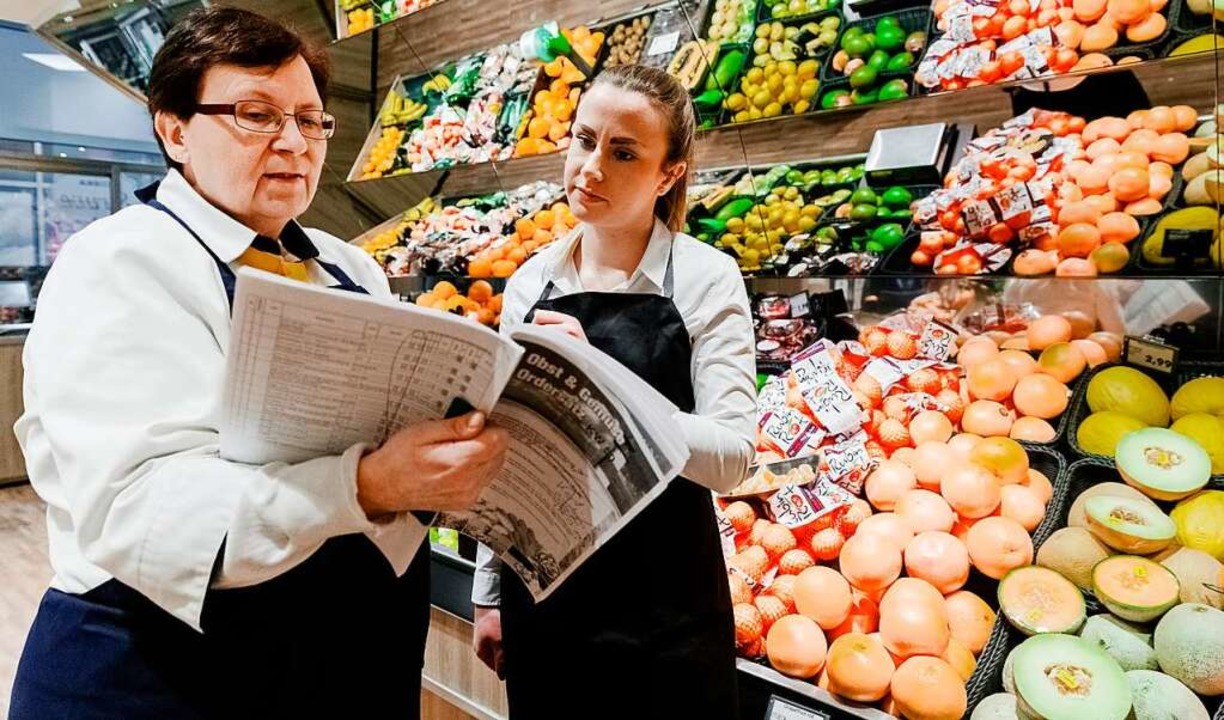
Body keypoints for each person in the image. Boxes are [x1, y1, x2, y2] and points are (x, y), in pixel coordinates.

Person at [10, 7, 508, 718]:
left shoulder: (352, 268)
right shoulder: (119, 263)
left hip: (346, 656)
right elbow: (146, 509)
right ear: (174, 129)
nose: (294, 142)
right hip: (162, 667)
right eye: (256, 113)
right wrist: (364, 485)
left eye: (311, 120)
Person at [470, 64, 757, 718]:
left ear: (668, 175)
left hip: (667, 610)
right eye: (583, 139)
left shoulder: (706, 281)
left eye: (623, 152)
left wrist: (601, 378)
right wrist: (488, 592)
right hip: (545, 604)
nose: (590, 167)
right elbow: (510, 453)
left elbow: (733, 458)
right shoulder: (529, 283)